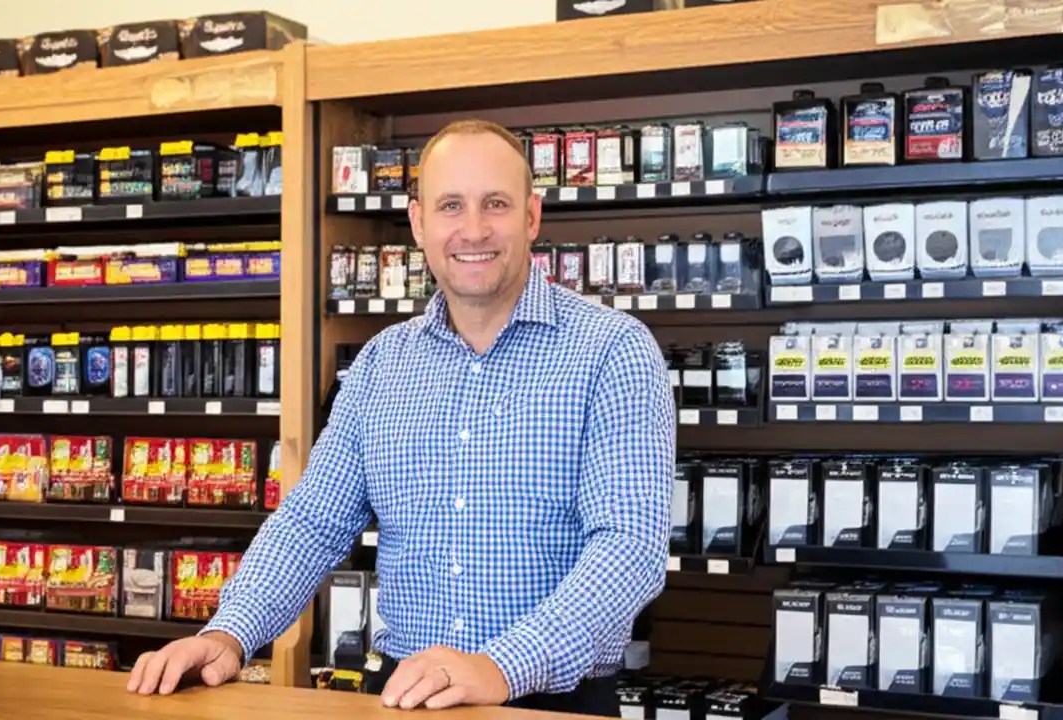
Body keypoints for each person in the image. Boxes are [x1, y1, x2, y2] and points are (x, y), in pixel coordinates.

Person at [126, 119, 675, 716]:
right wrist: (227, 634)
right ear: (418, 223)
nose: (473, 229)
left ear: (532, 217)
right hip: (402, 696)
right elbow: (310, 524)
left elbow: (628, 548)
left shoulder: (614, 351)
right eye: (450, 206)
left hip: (550, 701)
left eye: (496, 203)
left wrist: (502, 667)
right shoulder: (381, 364)